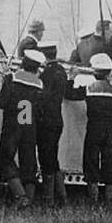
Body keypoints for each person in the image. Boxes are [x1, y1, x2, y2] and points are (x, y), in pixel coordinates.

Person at [0, 49, 45, 207]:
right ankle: (30, 199)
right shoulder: (39, 84)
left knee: (5, 159)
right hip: (29, 125)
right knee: (29, 161)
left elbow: (2, 102)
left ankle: (20, 197)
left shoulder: (11, 78)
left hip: (13, 125)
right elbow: (40, 109)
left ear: (23, 62)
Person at [68, 52, 112, 204]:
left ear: (94, 71)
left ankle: (94, 197)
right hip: (111, 129)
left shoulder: (89, 89)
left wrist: (71, 78)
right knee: (110, 160)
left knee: (91, 160)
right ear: (109, 73)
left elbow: (69, 94)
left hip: (94, 128)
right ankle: (110, 199)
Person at [35, 43, 69, 205]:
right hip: (57, 119)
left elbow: (42, 97)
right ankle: (62, 196)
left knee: (46, 159)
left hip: (45, 121)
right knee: (53, 159)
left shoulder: (46, 74)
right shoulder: (61, 71)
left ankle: (48, 199)